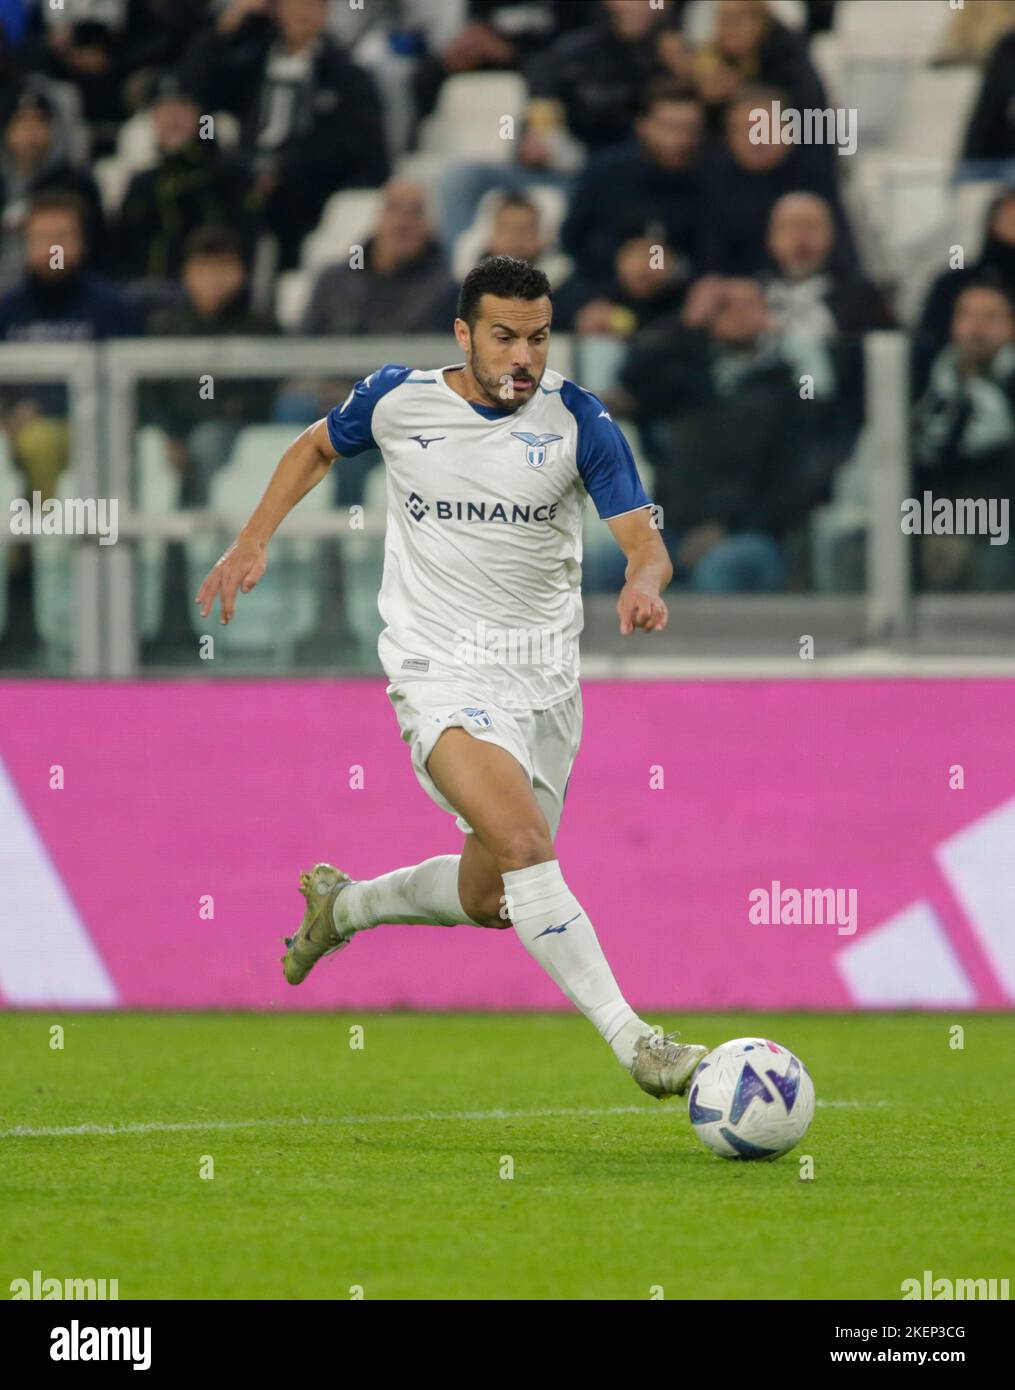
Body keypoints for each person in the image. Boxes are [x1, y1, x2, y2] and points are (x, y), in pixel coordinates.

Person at [196, 255, 709, 1099]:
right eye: (504, 337)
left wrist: (642, 582)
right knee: (523, 845)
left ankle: (345, 907)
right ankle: (637, 1042)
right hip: (437, 665)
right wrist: (253, 537)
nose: (523, 358)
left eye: (538, 339)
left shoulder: (578, 419)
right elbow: (314, 447)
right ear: (464, 335)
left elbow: (641, 535)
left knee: (493, 894)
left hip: (543, 685)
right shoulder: (399, 399)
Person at [300, 177, 456, 335]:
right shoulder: (334, 280)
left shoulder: (447, 292)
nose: (403, 222)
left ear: (431, 226)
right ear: (376, 218)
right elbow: (300, 348)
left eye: (416, 212)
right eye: (393, 208)